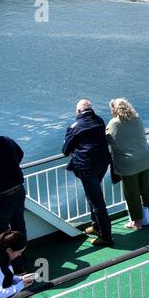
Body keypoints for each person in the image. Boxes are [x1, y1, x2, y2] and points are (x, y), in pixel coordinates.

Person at [62, 99, 113, 247]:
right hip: (102, 164)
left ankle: (106, 236)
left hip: (87, 167)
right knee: (93, 196)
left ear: (78, 111)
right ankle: (96, 226)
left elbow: (65, 149)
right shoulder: (99, 121)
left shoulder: (75, 127)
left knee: (97, 202)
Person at [106, 98, 149, 230]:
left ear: (115, 110)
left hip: (128, 163)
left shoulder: (114, 123)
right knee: (146, 190)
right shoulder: (137, 118)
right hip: (144, 158)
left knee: (132, 193)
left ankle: (137, 222)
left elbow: (107, 138)